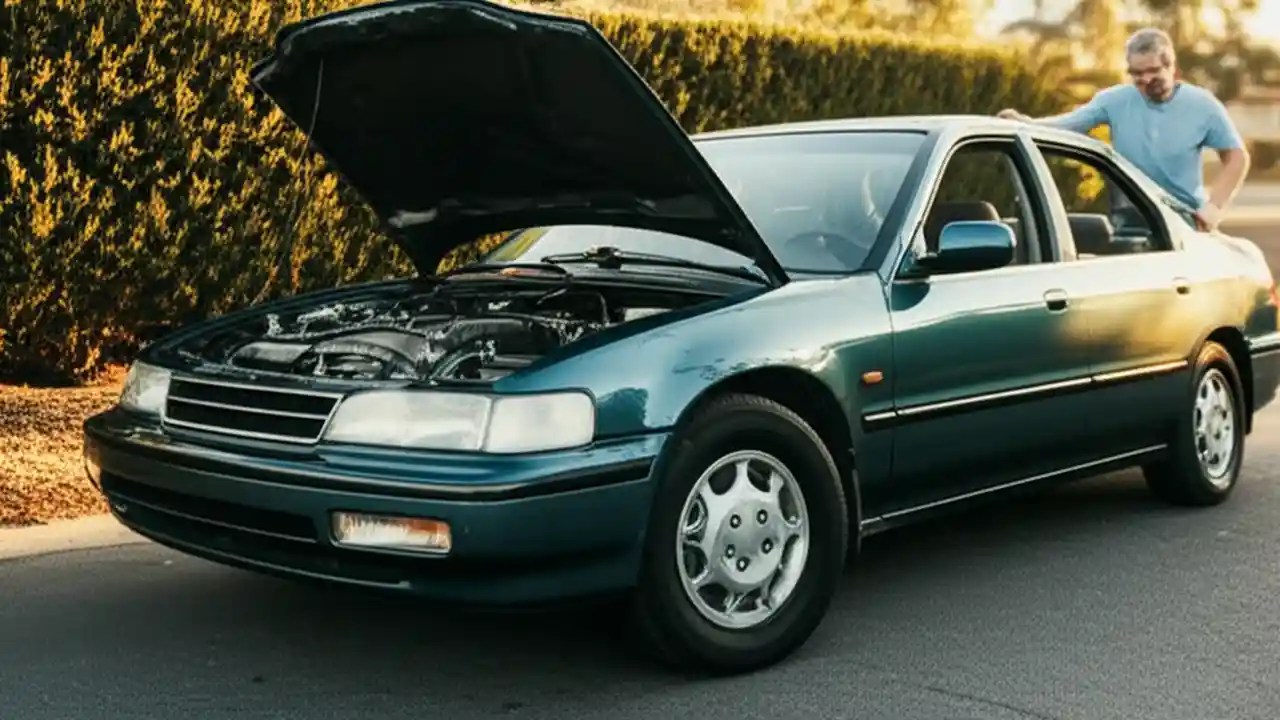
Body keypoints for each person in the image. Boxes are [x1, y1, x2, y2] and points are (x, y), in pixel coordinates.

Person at [998, 28, 1251, 232]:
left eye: (1152, 71)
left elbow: (1236, 157)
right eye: (1136, 73)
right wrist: (1024, 124)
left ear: (1171, 67)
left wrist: (1214, 207)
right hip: (1130, 219)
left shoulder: (1202, 105)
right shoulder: (1114, 100)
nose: (1144, 80)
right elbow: (1068, 125)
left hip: (1184, 220)